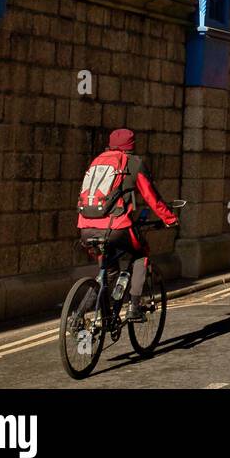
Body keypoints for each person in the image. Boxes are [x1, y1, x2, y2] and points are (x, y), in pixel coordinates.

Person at [76, 129, 178, 323]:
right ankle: (134, 307)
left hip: (85, 228)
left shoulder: (97, 162)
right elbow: (151, 197)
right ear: (131, 146)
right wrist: (170, 218)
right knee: (141, 253)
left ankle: (79, 316)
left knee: (107, 273)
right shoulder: (133, 163)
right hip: (116, 228)